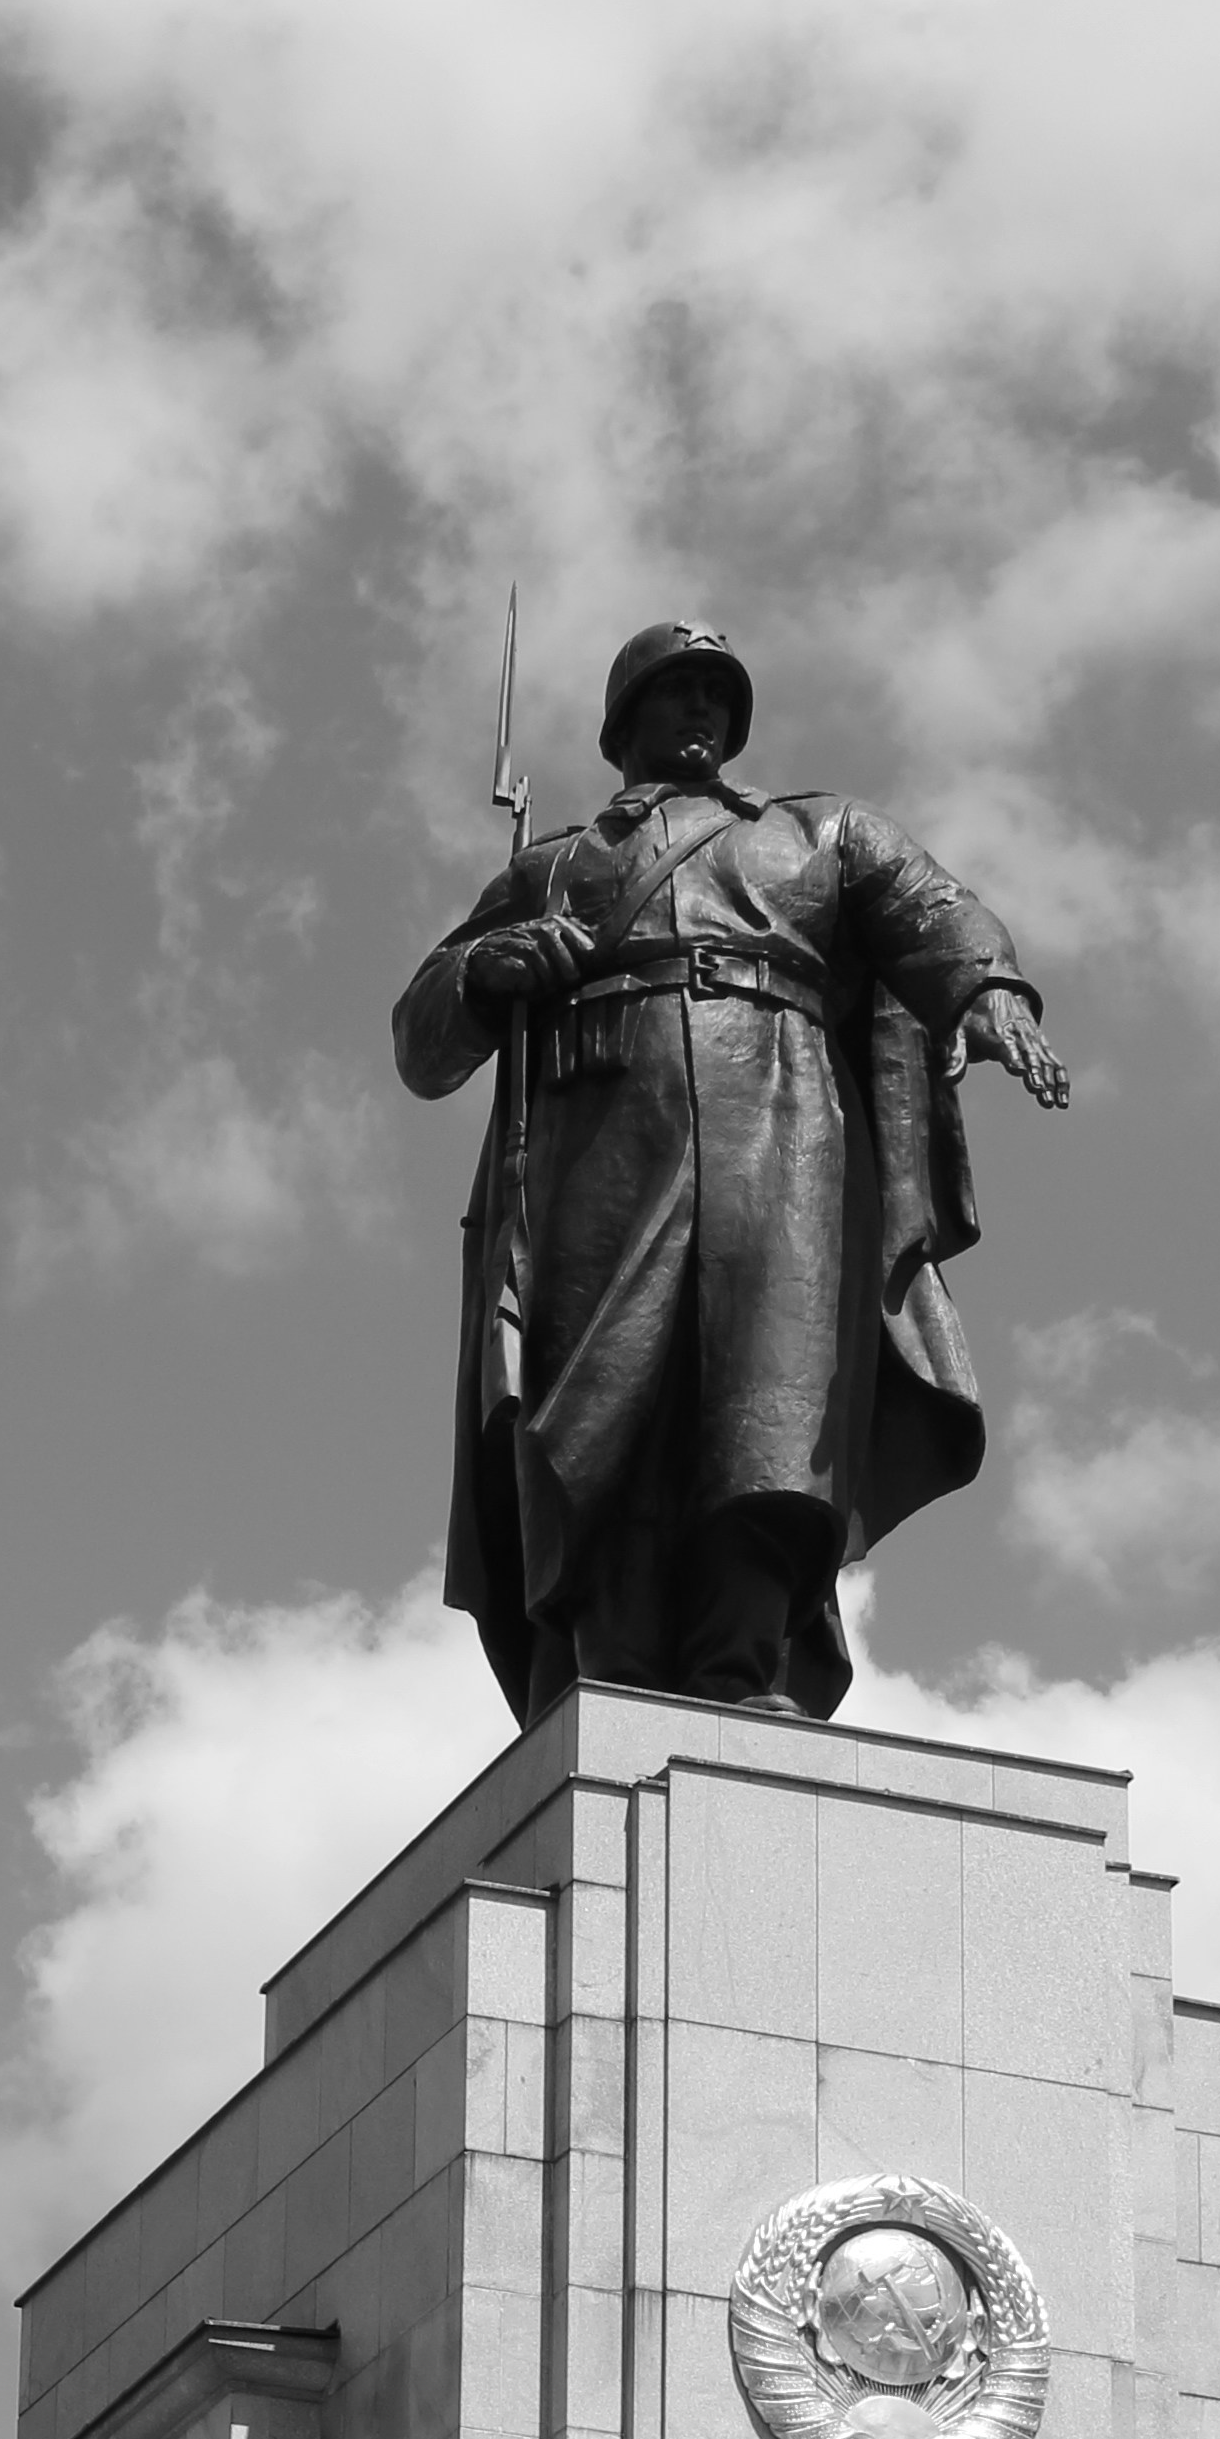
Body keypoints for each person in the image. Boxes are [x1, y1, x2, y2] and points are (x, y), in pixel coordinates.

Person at [393, 617, 1069, 1722]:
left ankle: (738, 1668)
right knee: (604, 1413)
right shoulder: (551, 865)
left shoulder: (819, 831)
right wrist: (488, 969)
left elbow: (936, 909)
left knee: (772, 1399)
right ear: (624, 723)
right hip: (600, 1138)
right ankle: (607, 1673)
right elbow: (423, 1039)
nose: (701, 711)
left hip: (784, 1127)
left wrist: (988, 987)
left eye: (718, 694)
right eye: (676, 692)